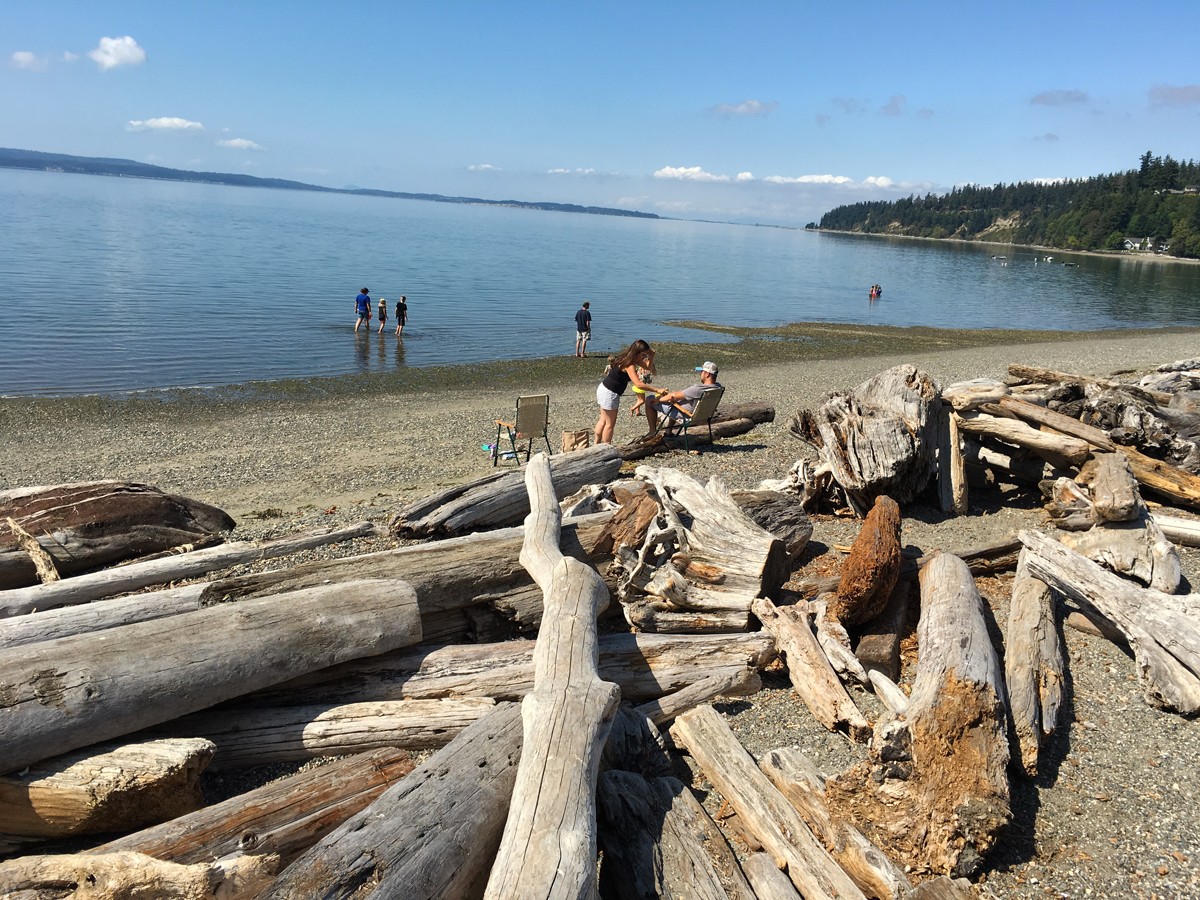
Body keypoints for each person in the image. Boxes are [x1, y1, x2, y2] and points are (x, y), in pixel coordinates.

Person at [595, 340, 659, 444]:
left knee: (603, 420)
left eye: (646, 355)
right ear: (637, 352)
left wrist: (651, 357)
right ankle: (606, 446)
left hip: (604, 388)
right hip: (610, 393)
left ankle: (596, 444)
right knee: (610, 423)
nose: (645, 357)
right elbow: (638, 384)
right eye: (644, 354)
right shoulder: (629, 364)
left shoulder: (627, 358)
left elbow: (648, 367)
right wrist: (657, 390)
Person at [645, 361, 723, 437]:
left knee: (649, 399)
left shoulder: (697, 389)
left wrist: (658, 400)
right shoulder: (718, 387)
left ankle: (652, 431)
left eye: (702, 372)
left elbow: (674, 396)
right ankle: (668, 431)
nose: (700, 374)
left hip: (686, 416)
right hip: (704, 417)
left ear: (707, 374)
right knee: (675, 401)